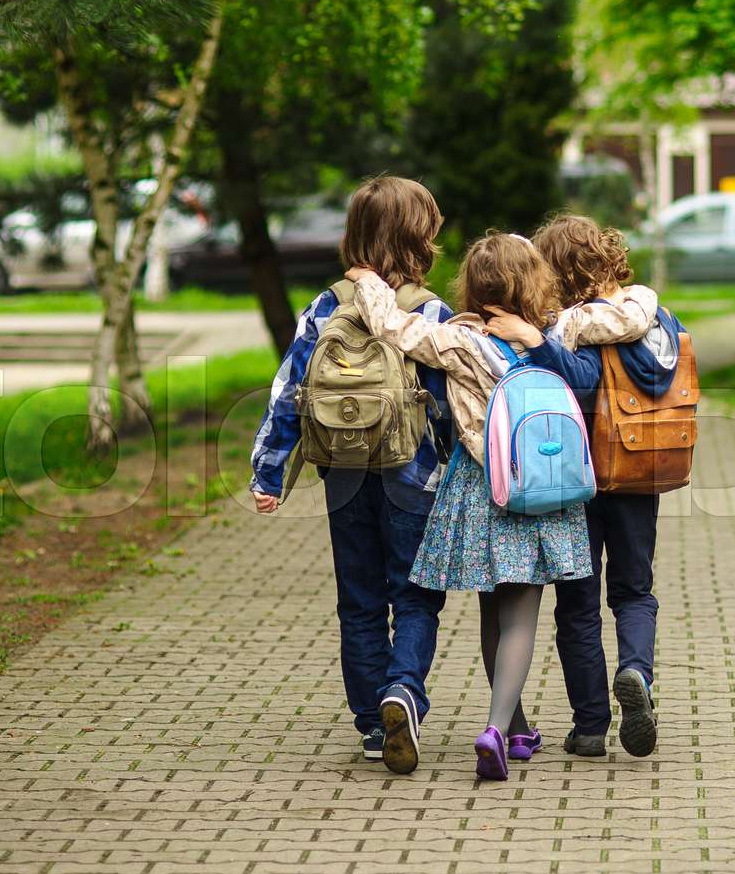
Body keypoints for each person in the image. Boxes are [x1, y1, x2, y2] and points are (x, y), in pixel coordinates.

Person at [342, 232, 659, 779]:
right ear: (537, 280)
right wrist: (642, 294)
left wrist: (368, 281)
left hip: (482, 488)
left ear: (472, 285)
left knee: (493, 607)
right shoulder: (560, 328)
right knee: (519, 616)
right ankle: (497, 727)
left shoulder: (459, 341)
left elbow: (393, 327)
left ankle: (513, 728)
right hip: (544, 488)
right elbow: (628, 319)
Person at [249, 176, 453, 774]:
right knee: (415, 598)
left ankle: (371, 723)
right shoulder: (426, 312)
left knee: (358, 601)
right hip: (411, 476)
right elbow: (445, 403)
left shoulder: (324, 306)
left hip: (341, 471)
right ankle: (403, 693)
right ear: (419, 238)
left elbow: (288, 393)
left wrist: (268, 474)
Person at [486, 214, 688, 759]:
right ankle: (636, 671)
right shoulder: (655, 318)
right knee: (634, 590)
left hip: (577, 479)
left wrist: (536, 342)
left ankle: (592, 726)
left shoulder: (574, 326)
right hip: (641, 469)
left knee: (577, 604)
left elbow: (579, 383)